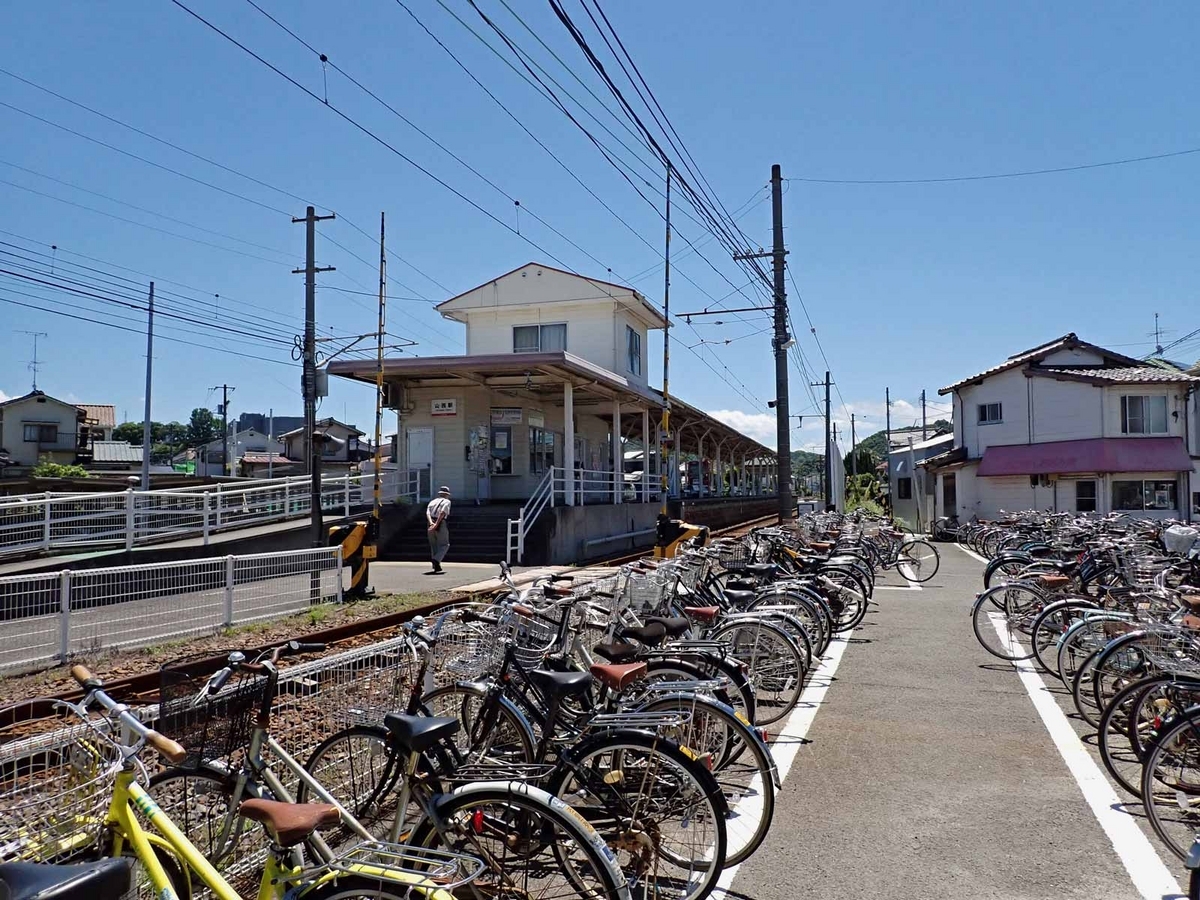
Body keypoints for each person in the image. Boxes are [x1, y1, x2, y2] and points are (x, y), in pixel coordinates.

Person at [426, 486, 452, 574]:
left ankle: (436, 566)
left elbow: (428, 512)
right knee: (445, 544)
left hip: (430, 522)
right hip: (440, 522)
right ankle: (436, 560)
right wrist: (436, 524)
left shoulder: (432, 501)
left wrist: (431, 523)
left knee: (434, 545)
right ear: (447, 494)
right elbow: (442, 512)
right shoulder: (447, 502)